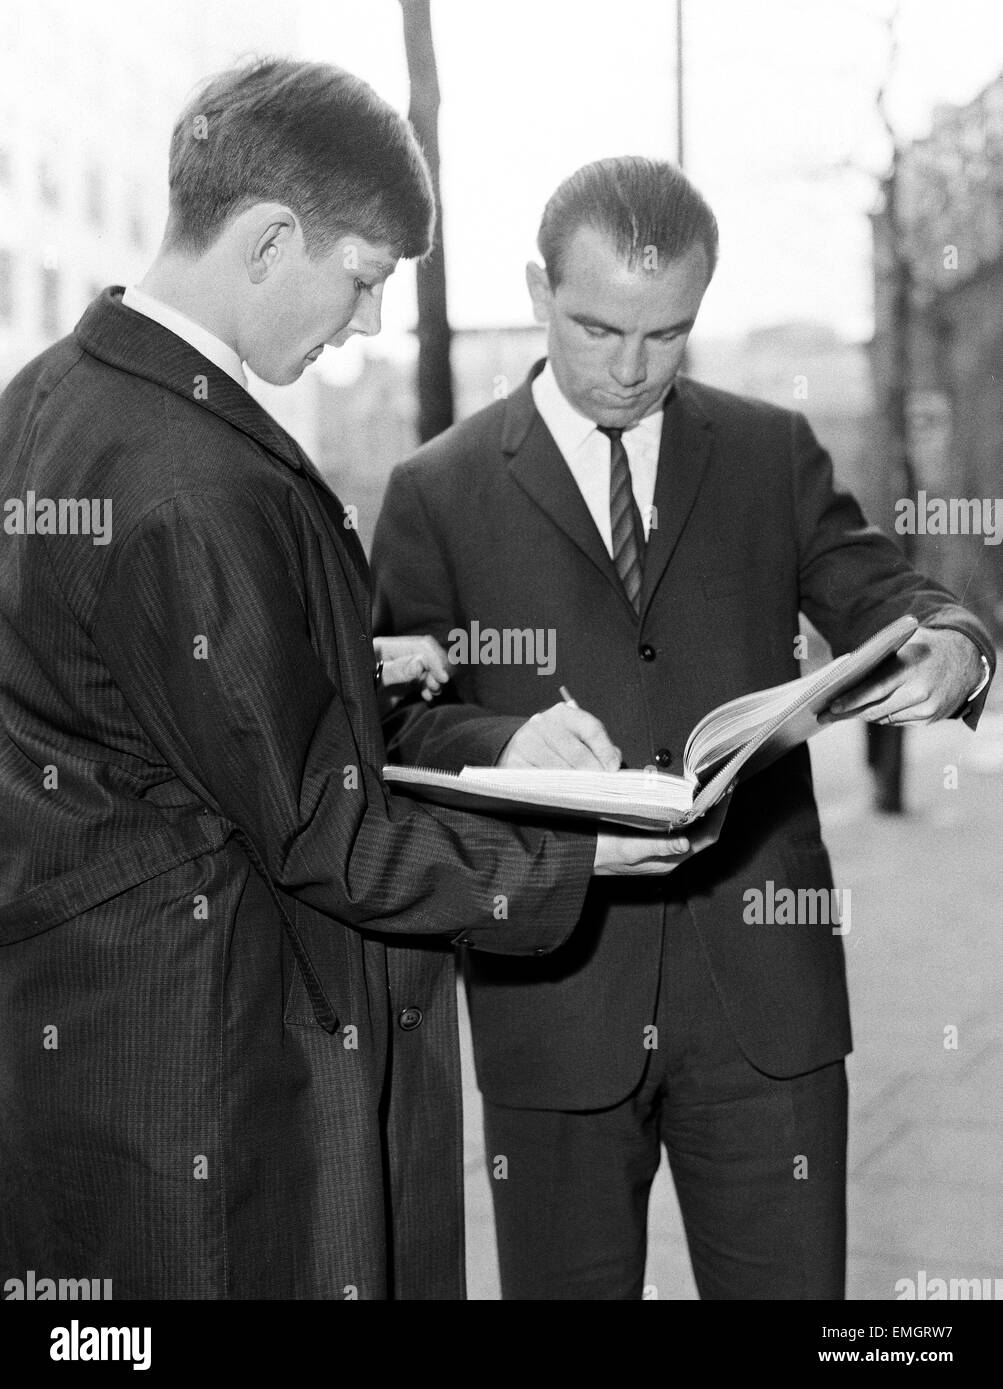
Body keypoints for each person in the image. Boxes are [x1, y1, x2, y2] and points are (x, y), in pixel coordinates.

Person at [0, 69, 692, 1302]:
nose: (367, 323)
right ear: (270, 240)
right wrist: (580, 856)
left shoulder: (52, 397)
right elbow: (322, 832)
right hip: (208, 1063)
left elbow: (135, 708)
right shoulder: (192, 476)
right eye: (365, 276)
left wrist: (371, 687)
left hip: (92, 1040)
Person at [372, 156, 995, 1300]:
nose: (627, 367)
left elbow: (889, 596)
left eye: (666, 334)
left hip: (766, 1011)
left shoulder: (770, 452)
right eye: (597, 326)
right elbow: (395, 724)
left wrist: (954, 644)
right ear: (534, 288)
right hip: (553, 1005)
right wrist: (497, 741)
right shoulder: (435, 490)